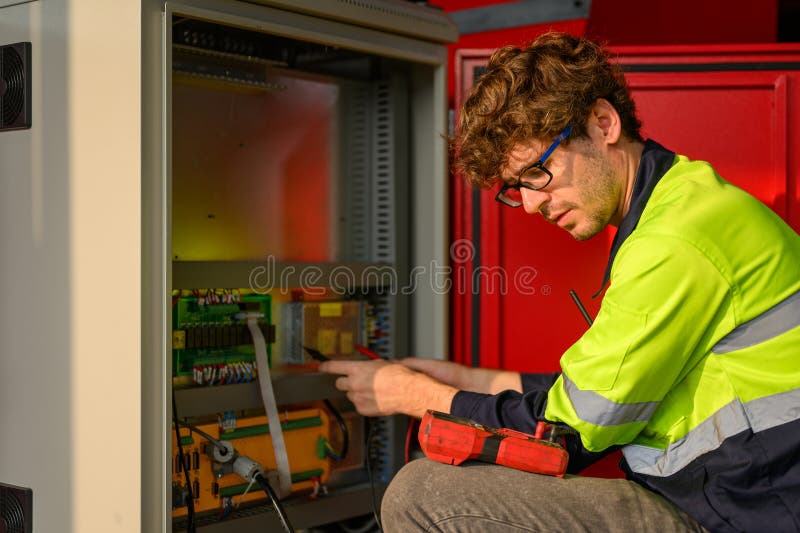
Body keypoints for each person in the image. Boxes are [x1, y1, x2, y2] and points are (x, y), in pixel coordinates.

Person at [319, 32, 800, 532]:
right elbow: (593, 397)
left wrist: (415, 397)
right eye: (515, 189)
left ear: (603, 123)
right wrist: (462, 381)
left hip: (751, 515)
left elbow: (565, 433)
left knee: (421, 494)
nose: (530, 204)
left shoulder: (676, 241)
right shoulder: (686, 204)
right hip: (732, 500)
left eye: (538, 172)